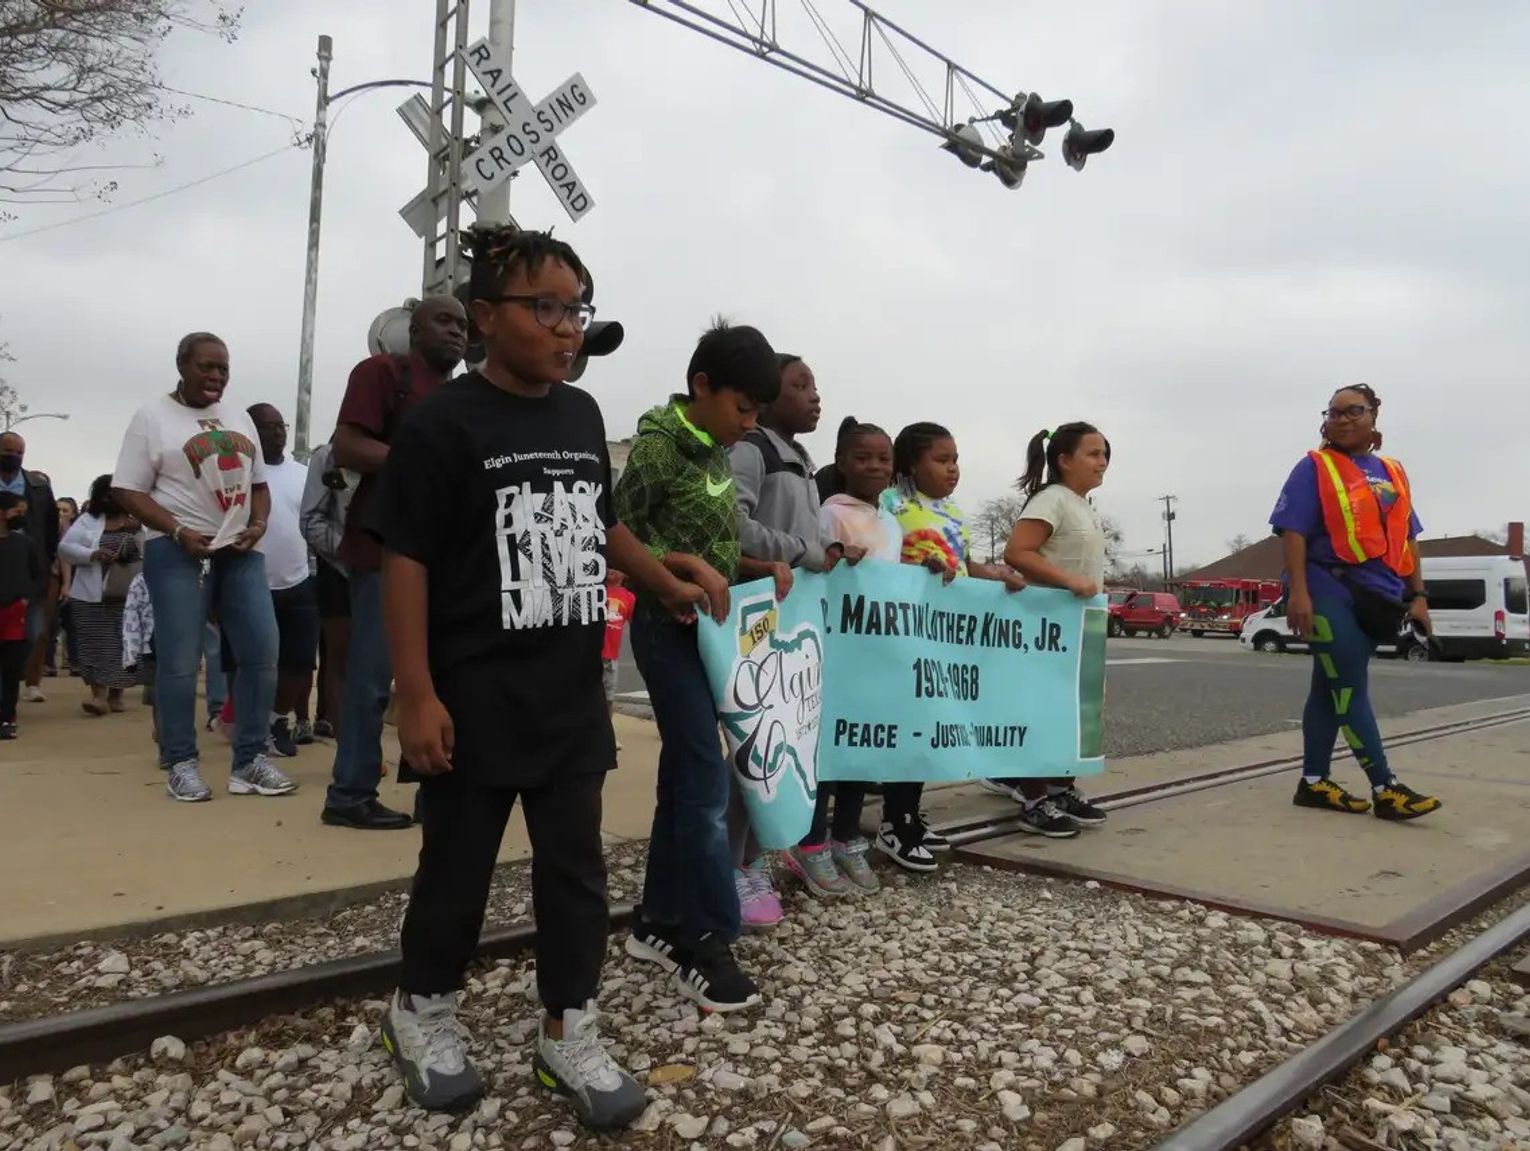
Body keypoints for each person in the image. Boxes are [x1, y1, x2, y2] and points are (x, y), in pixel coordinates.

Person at [372, 225, 714, 1129]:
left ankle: (569, 1027)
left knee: (576, 870)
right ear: (486, 317)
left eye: (576, 309)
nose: (567, 328)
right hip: (473, 689)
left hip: (569, 690)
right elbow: (404, 558)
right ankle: (421, 1008)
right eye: (546, 308)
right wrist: (416, 692)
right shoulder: (442, 423)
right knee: (458, 866)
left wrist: (663, 581)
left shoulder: (579, 415)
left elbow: (601, 522)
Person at [616, 319, 790, 1014]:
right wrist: (674, 571)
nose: (749, 424)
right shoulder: (659, 449)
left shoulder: (718, 451)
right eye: (742, 407)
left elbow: (707, 546)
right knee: (704, 778)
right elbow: (614, 534)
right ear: (702, 386)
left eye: (757, 412)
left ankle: (659, 918)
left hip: (710, 636)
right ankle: (706, 937)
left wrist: (756, 566)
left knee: (687, 775)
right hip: (665, 631)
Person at [111, 332, 294, 802]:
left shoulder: (238, 417)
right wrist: (176, 531)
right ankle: (180, 763)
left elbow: (259, 485)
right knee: (179, 660)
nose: (216, 376)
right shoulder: (152, 416)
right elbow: (127, 489)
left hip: (239, 550)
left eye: (223, 369)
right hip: (179, 552)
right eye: (206, 367)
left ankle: (249, 760)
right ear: (182, 365)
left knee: (262, 651)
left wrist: (258, 524)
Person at [323, 296, 468, 830]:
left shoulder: (461, 395)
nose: (456, 332)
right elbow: (347, 446)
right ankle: (349, 794)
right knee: (372, 679)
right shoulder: (383, 373)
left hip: (445, 556)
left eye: (463, 325)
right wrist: (420, 462)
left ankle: (434, 790)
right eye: (443, 321)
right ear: (415, 329)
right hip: (383, 550)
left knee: (441, 680)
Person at [1271, 384, 1441, 821]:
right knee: (1350, 687)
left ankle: (1314, 783)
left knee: (1328, 689)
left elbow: (1408, 538)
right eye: (1333, 412)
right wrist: (1299, 593)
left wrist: (1418, 597)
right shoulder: (1314, 467)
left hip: (1377, 595)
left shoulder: (1392, 472)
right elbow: (1293, 532)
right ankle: (1386, 788)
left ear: (1373, 416)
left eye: (1353, 411)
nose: (1342, 419)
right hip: (1327, 589)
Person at [730, 357, 864, 906]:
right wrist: (807, 552)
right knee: (749, 742)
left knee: (782, 740)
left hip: (791, 620)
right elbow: (733, 526)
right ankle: (733, 865)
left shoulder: (799, 459)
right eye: (800, 385)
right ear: (765, 395)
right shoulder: (750, 450)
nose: (814, 396)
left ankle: (755, 855)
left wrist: (827, 553)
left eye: (815, 385)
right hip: (752, 618)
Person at [877, 422, 1026, 870]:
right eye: (941, 460)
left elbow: (963, 564)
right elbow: (879, 561)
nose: (953, 468)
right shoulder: (890, 504)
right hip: (903, 635)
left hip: (945, 640)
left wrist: (996, 574)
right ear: (910, 464)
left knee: (931, 725)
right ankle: (894, 822)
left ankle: (911, 813)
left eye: (956, 459)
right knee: (908, 726)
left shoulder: (954, 511)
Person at [990, 423, 1113, 835]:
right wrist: (1068, 581)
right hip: (1046, 629)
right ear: (1064, 460)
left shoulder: (1084, 505)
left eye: (1105, 454)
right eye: (1093, 453)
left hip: (1079, 627)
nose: (1102, 462)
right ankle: (1033, 798)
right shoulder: (1052, 500)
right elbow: (1018, 551)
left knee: (1074, 712)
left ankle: (1061, 788)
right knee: (1040, 711)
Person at [814, 416, 907, 893]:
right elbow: (817, 568)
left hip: (878, 654)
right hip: (838, 654)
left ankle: (847, 835)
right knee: (829, 750)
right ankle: (812, 839)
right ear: (842, 463)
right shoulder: (830, 514)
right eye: (862, 457)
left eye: (883, 458)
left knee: (862, 747)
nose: (874, 466)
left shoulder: (891, 521)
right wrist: (835, 557)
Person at [248, 403, 319, 756]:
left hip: (299, 580)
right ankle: (250, 726)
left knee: (300, 660)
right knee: (254, 662)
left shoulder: (302, 475)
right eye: (269, 426)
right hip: (251, 582)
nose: (278, 432)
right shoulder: (243, 475)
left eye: (282, 426)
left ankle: (278, 720)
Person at [57, 475, 145, 716]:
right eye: (106, 493)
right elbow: (65, 548)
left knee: (123, 645)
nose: (110, 498)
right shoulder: (88, 520)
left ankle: (117, 694)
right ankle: (98, 696)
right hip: (89, 596)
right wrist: (92, 554)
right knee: (93, 645)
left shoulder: (139, 521)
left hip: (128, 596)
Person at [0, 431, 59, 704]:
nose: (14, 456)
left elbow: (50, 529)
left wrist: (48, 561)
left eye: (19, 452)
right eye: (8, 451)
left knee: (34, 633)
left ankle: (26, 680)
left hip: (30, 571)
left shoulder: (38, 487)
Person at [0, 491, 40, 739]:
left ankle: (7, 718)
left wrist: (25, 598)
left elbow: (38, 575)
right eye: (17, 512)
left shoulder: (24, 543)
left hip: (14, 613)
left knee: (11, 670)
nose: (21, 517)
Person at [47, 496, 79, 677]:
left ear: (73, 514)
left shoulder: (76, 534)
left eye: (65, 510)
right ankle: (48, 663)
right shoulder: (48, 532)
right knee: (50, 623)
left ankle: (75, 662)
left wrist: (67, 584)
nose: (61, 514)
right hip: (51, 579)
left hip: (74, 579)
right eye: (58, 510)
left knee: (72, 623)